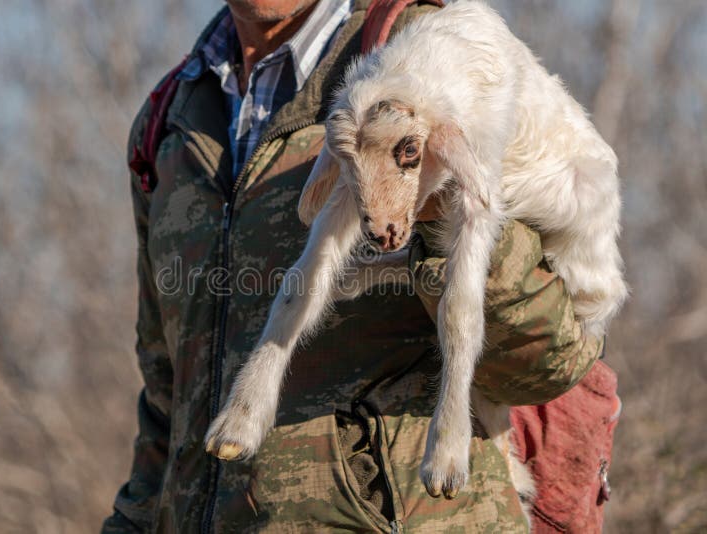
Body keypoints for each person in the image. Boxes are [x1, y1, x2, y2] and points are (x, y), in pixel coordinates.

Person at [102, 1, 607, 532]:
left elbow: (553, 360)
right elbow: (165, 395)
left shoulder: (439, 60)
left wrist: (445, 225)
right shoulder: (171, 118)